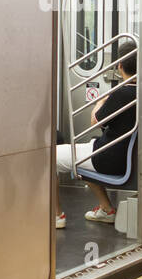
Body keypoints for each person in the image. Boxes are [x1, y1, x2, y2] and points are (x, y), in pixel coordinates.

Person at [55, 41, 137, 227]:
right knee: (84, 148)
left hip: (107, 158)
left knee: (50, 157)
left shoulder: (123, 93)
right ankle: (106, 209)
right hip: (119, 154)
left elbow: (95, 121)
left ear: (119, 65)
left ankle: (56, 216)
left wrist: (101, 102)